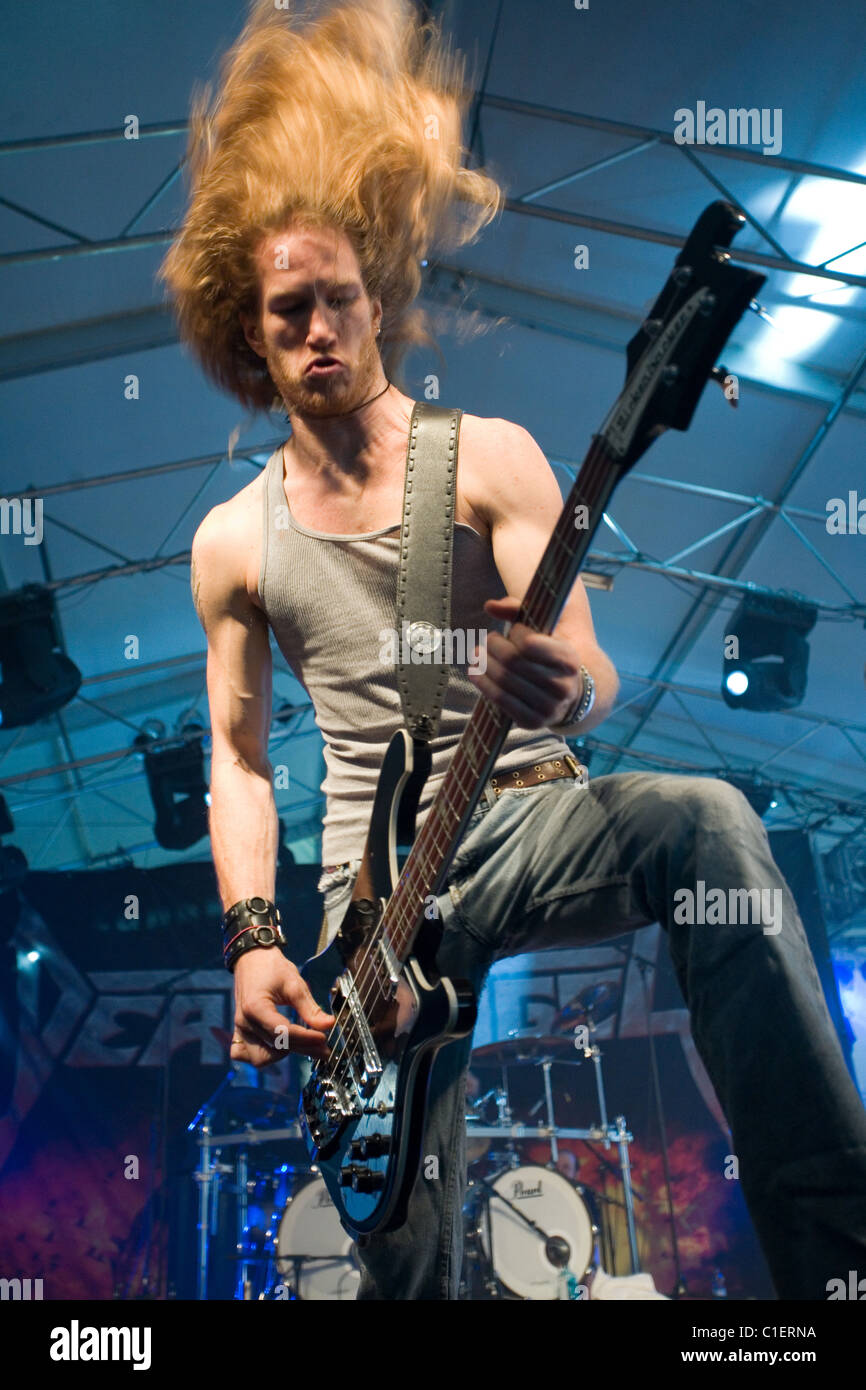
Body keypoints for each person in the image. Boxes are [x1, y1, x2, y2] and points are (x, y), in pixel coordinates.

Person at [161, 0, 866, 1300]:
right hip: (366, 900)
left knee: (707, 818)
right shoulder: (228, 540)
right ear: (247, 337)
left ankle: (837, 1266)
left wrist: (560, 681)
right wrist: (253, 935)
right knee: (403, 1259)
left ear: (377, 296)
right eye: (285, 312)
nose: (317, 327)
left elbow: (590, 664)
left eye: (336, 298)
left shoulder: (482, 456)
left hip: (522, 813)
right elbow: (240, 756)